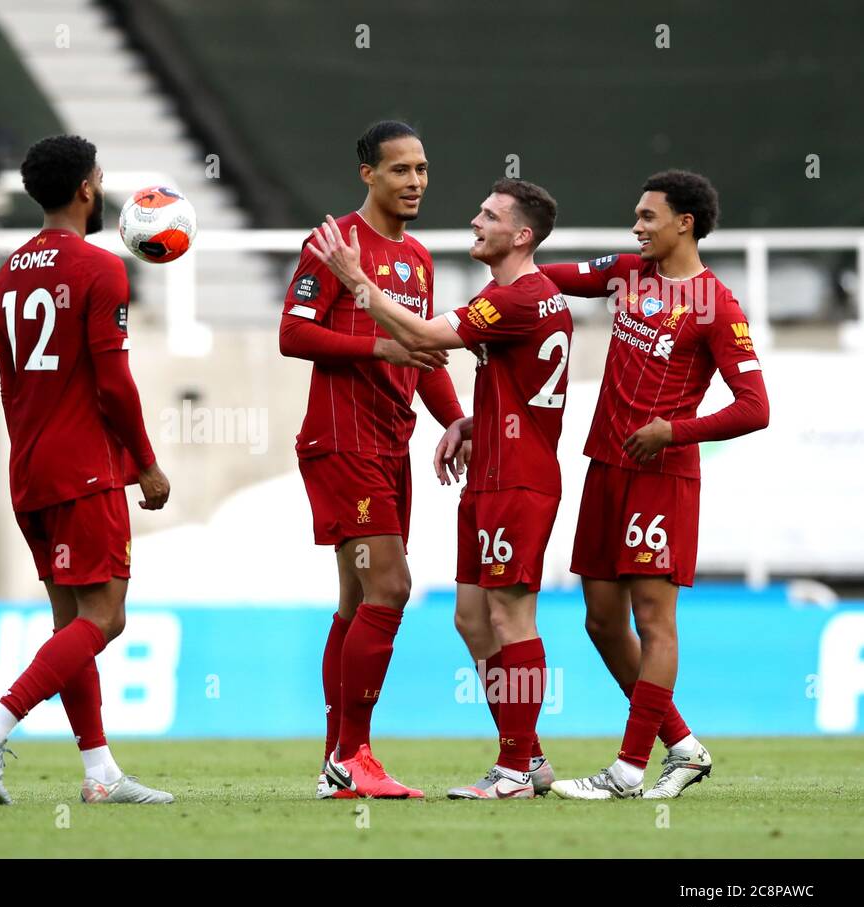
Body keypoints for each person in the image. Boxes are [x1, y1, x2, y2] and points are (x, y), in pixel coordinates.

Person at [309, 179, 569, 800]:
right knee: (472, 619)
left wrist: (356, 282)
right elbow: (518, 387)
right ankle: (526, 754)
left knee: (510, 617)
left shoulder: (521, 297)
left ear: (521, 235)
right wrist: (466, 421)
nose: (474, 221)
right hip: (488, 476)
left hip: (518, 482)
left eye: (489, 215)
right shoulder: (508, 295)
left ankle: (512, 768)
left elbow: (424, 340)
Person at [0, 135, 173, 805]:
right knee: (105, 619)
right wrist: (147, 463)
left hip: (29, 468)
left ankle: (100, 772)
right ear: (85, 189)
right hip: (84, 469)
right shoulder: (102, 269)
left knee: (69, 623)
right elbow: (114, 382)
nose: (101, 191)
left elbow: (8, 379)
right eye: (100, 180)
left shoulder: (7, 272)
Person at [538, 170, 770, 799]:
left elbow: (755, 407)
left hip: (662, 476)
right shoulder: (626, 274)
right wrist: (510, 261)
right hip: (606, 467)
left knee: (653, 621)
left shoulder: (717, 305)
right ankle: (685, 747)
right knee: (600, 622)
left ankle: (629, 769)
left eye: (647, 217)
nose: (636, 227)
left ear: (683, 223)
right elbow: (548, 279)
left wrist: (676, 431)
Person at [281, 120, 463, 800]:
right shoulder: (332, 246)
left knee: (358, 599)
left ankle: (338, 761)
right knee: (390, 587)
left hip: (392, 443)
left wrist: (458, 418)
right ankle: (352, 754)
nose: (414, 181)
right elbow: (291, 332)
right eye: (399, 170)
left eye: (421, 168)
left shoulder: (417, 257)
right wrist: (376, 350)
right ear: (367, 174)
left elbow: (423, 349)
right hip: (341, 443)